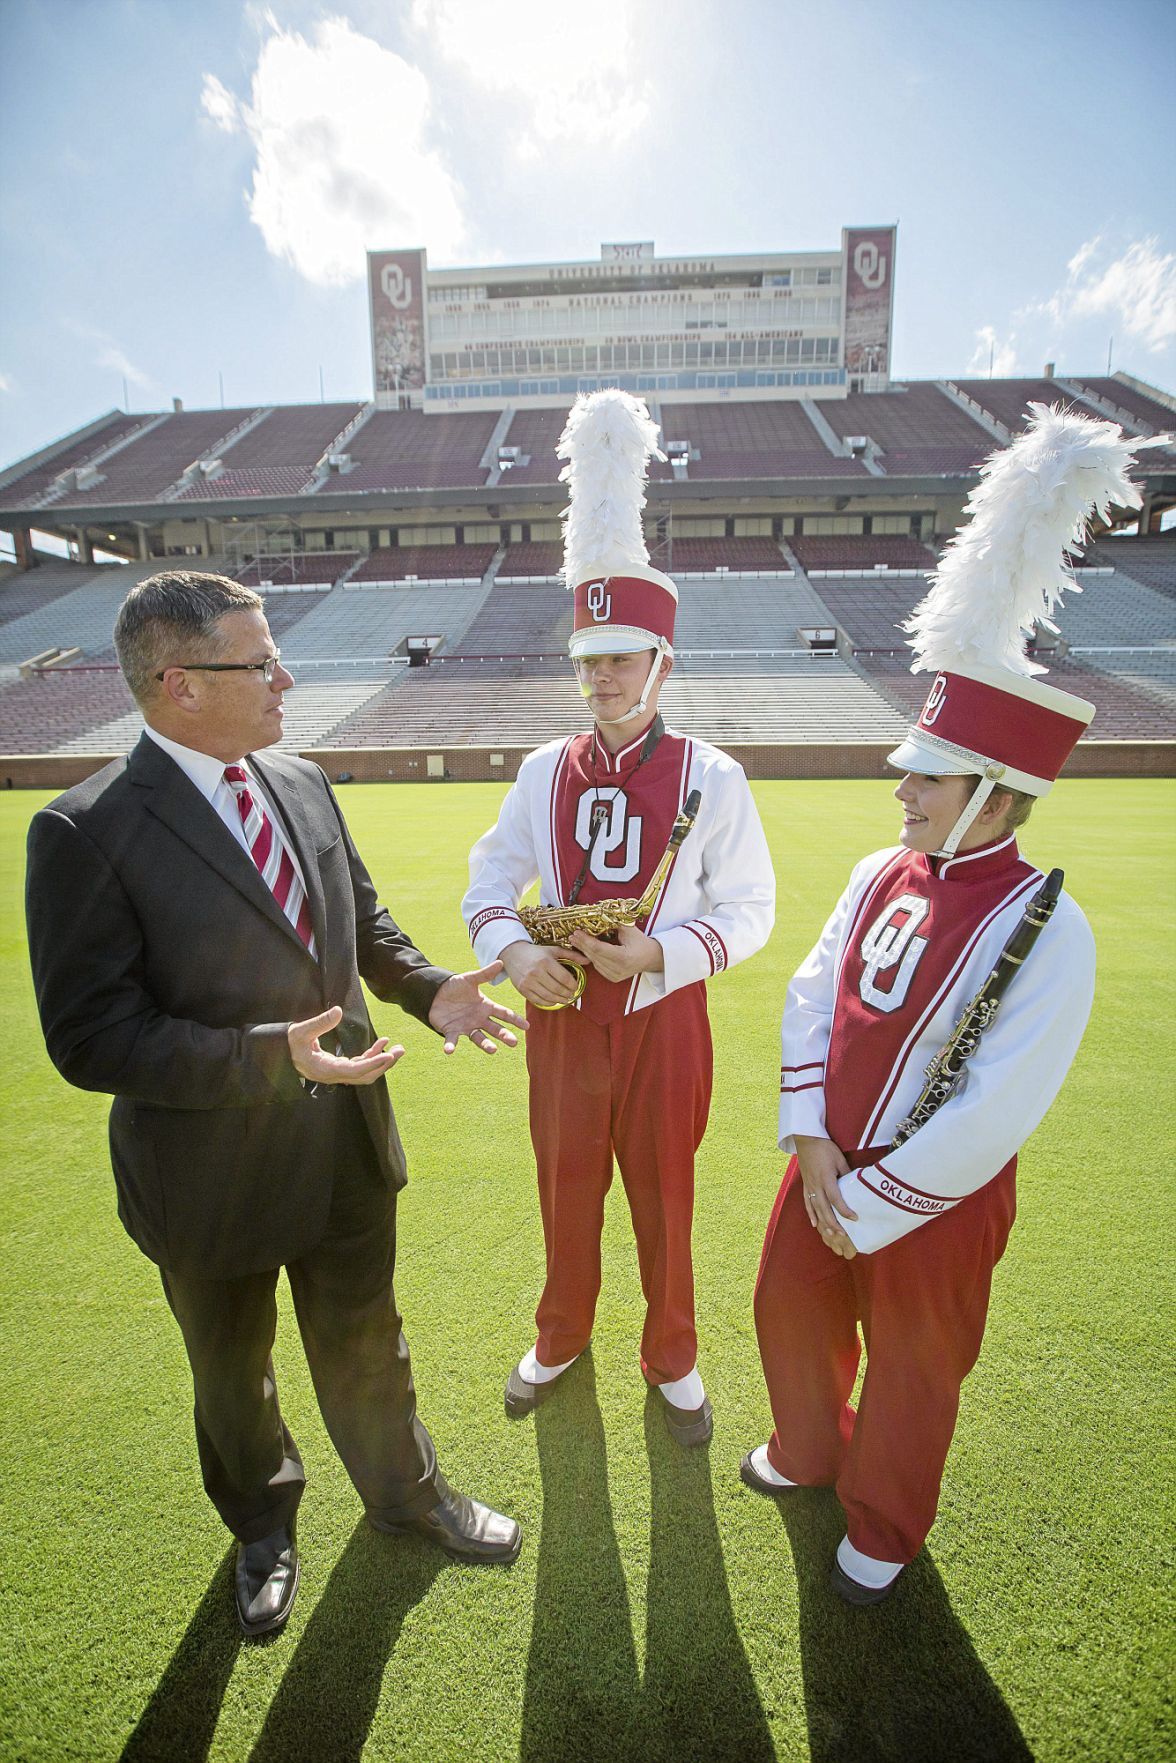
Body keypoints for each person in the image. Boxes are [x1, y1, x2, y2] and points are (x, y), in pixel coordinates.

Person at [26, 571, 527, 1638]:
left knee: (369, 1339)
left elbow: (363, 920)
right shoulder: (84, 830)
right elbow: (88, 1037)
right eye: (257, 662)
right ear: (178, 684)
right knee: (232, 1369)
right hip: (205, 1173)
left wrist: (429, 987)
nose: (284, 677)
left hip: (344, 1138)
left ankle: (409, 1496)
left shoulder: (299, 778)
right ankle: (262, 1523)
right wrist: (269, 1057)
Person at [745, 403, 1149, 1604]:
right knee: (784, 1305)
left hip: (938, 1193)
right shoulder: (880, 870)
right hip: (825, 1154)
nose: (904, 790)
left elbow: (996, 1106)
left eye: (927, 776)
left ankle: (883, 1517)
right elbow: (817, 989)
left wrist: (869, 1195)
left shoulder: (1050, 924)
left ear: (995, 791)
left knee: (918, 1364)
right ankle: (809, 1450)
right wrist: (813, 1139)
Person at [463, 390, 775, 1443]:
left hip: (663, 1018)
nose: (601, 675)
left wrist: (665, 952)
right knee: (564, 1188)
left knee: (664, 1195)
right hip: (559, 1019)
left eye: (621, 657)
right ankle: (560, 1333)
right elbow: (486, 882)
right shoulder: (540, 766)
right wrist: (512, 952)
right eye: (588, 657)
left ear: (661, 663)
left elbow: (754, 908)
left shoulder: (714, 772)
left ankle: (674, 1352)